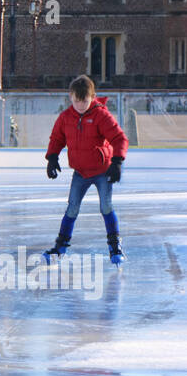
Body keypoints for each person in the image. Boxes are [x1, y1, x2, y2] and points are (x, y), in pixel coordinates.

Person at [44, 74, 129, 265]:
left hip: (102, 171)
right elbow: (57, 138)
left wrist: (117, 161)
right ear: (70, 97)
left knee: (106, 207)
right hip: (80, 172)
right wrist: (52, 157)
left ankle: (115, 247)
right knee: (72, 208)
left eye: (84, 101)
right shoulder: (66, 117)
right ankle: (60, 247)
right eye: (76, 101)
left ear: (92, 97)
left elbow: (119, 138)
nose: (81, 105)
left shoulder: (101, 115)